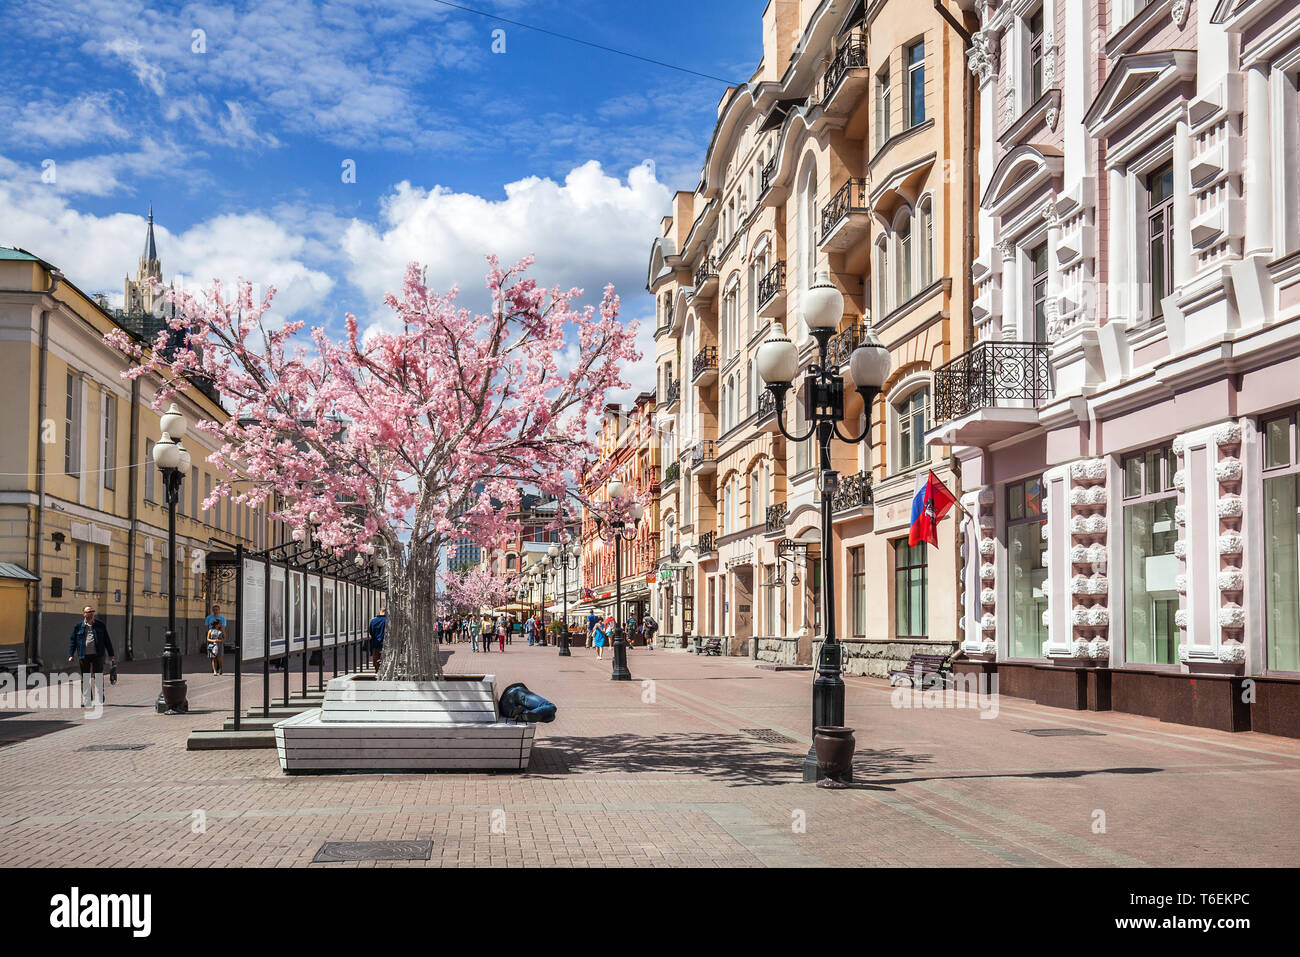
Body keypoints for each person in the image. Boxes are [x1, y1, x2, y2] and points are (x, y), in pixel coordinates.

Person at [67, 605, 116, 708]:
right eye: (89, 611)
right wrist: (70, 654)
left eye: (92, 611)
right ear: (84, 614)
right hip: (83, 655)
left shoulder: (100, 625)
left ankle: (99, 696)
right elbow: (73, 641)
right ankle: (87, 700)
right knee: (85, 677)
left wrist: (111, 654)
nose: (91, 613)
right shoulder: (78, 626)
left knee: (98, 676)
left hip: (98, 655)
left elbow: (107, 640)